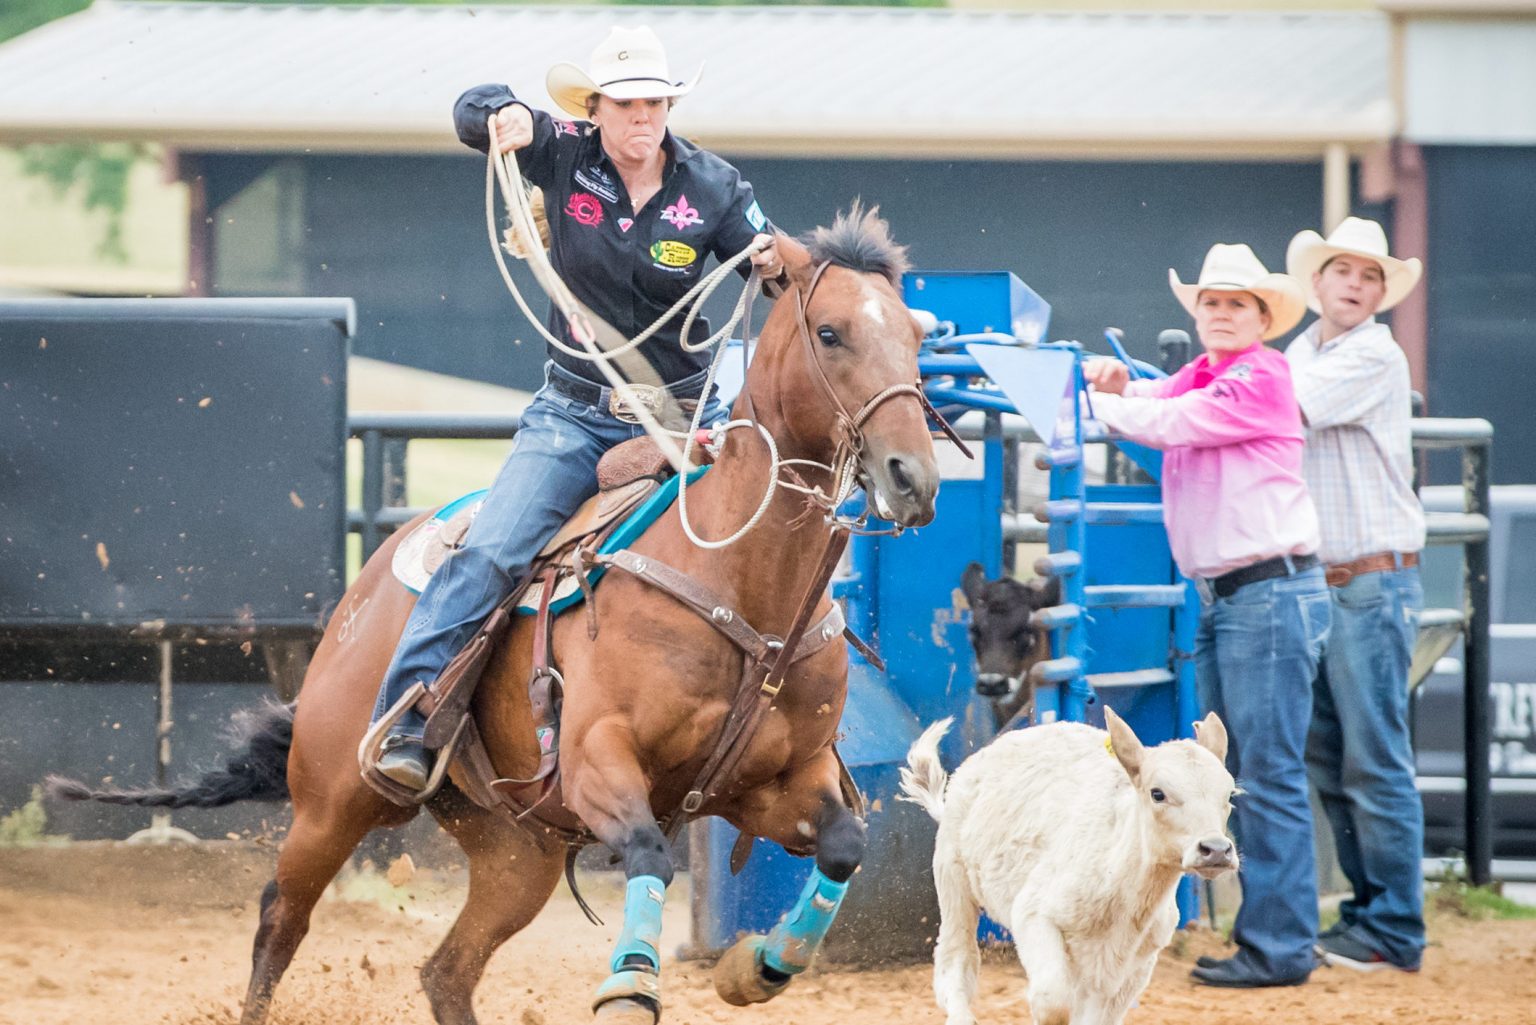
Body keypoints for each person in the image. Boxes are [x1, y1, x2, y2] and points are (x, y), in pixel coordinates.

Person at [372, 25, 784, 791]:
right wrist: (500, 112)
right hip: (575, 412)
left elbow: (777, 266)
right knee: (494, 549)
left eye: (656, 103)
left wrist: (773, 263)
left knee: (777, 552)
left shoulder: (716, 189)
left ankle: (783, 734)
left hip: (688, 418)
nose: (643, 119)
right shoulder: (561, 151)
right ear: (595, 108)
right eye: (627, 104)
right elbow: (474, 112)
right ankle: (408, 716)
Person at [1082, 243, 1329, 988]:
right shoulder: (1214, 372)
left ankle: (1279, 945)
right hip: (1238, 595)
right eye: (1212, 302)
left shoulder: (1260, 374)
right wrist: (1123, 386)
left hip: (1265, 594)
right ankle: (1271, 936)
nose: (1221, 313)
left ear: (1262, 318)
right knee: (1241, 768)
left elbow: (1173, 416)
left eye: (1236, 304)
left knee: (1266, 771)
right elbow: (1163, 397)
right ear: (1199, 311)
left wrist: (1090, 400)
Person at [1285, 217, 1427, 973]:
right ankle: (1372, 915)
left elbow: (1281, 407)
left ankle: (1395, 923)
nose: (1354, 284)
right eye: (1343, 270)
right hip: (1334, 579)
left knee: (1371, 757)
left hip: (1369, 577)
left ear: (1378, 294)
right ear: (1318, 282)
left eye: (1369, 277)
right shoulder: (1304, 353)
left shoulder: (1371, 354)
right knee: (1336, 754)